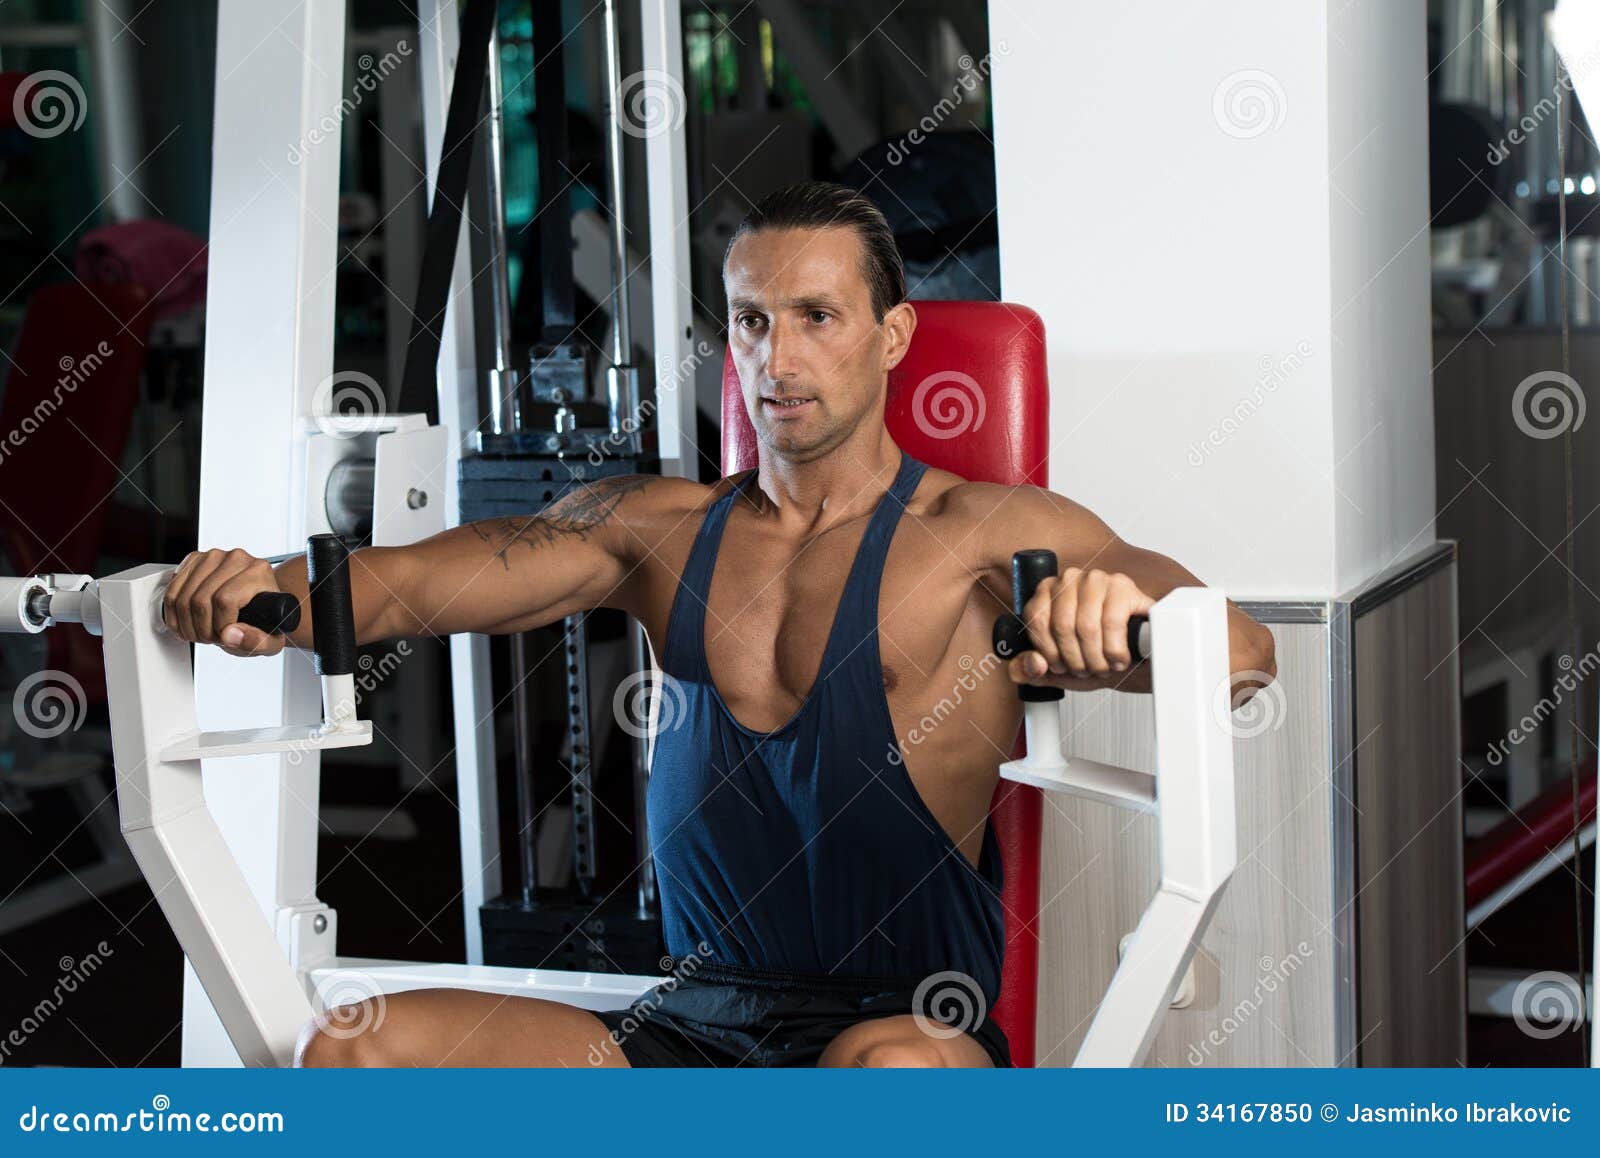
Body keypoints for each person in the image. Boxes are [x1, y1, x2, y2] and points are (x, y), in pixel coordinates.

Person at [164, 181, 1277, 1068]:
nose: (776, 360)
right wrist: (262, 591)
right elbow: (404, 587)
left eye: (816, 318)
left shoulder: (985, 533)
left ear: (892, 335)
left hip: (905, 1025)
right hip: (686, 1026)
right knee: (359, 1050)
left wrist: (1121, 612)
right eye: (751, 321)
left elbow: (1239, 653)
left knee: (891, 1076)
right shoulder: (651, 528)